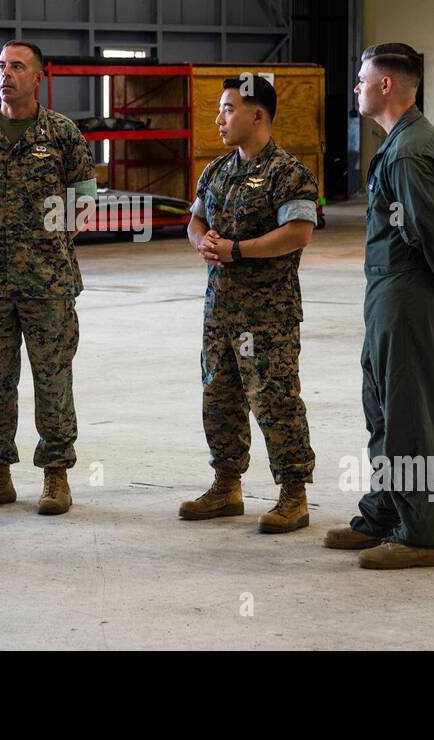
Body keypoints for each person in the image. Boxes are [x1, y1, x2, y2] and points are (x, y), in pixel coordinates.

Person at [325, 42, 434, 569]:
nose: (355, 86)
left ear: (384, 86)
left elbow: (431, 231)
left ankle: (420, 534)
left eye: (361, 77)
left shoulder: (406, 151)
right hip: (390, 291)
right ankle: (384, 512)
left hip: (408, 292)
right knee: (382, 406)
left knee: (410, 414)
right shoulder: (405, 141)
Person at [0, 41, 97, 516]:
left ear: (39, 77)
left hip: (48, 282)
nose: (5, 74)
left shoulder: (62, 135)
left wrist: (44, 243)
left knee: (52, 378)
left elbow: (82, 203)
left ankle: (56, 475)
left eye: (17, 66)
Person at [179, 76, 319, 533]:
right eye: (220, 109)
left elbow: (297, 233)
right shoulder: (217, 170)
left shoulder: (289, 173)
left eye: (228, 108)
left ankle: (293, 494)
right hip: (219, 309)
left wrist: (237, 249)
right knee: (218, 397)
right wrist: (205, 243)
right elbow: (195, 220)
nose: (219, 118)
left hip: (267, 315)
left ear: (257, 114)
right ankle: (226, 485)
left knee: (274, 399)